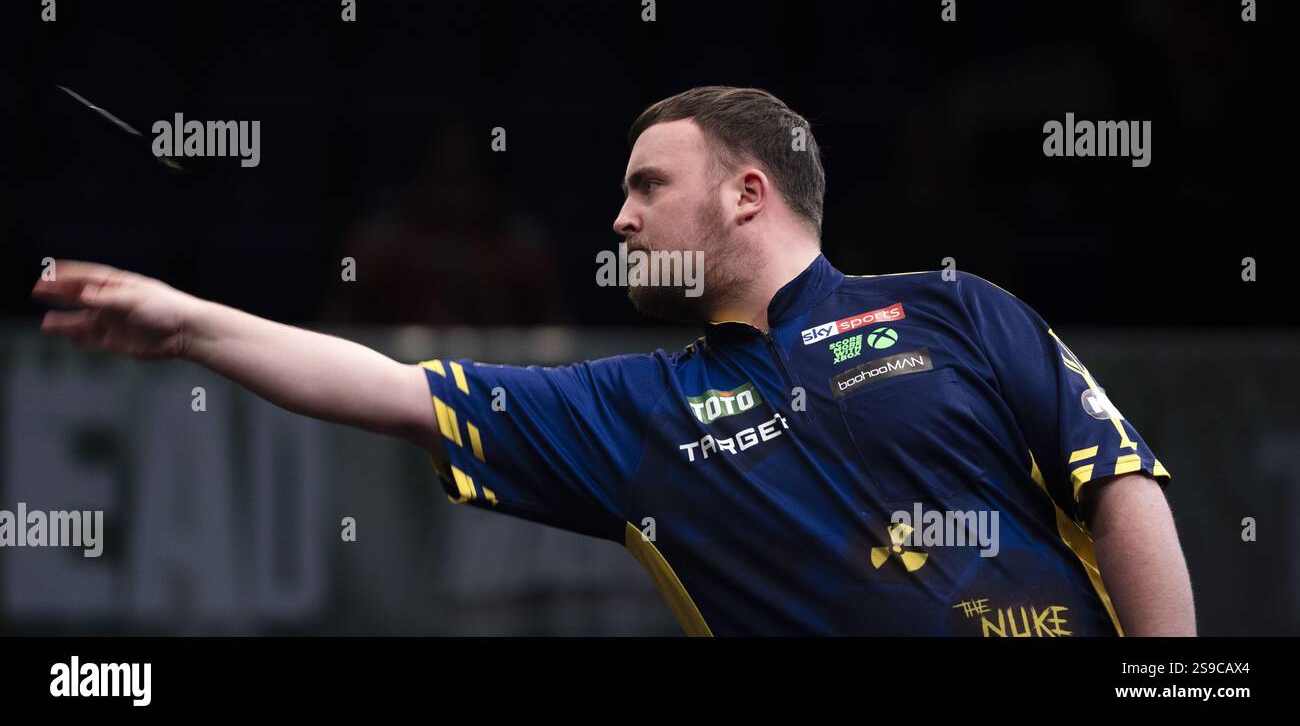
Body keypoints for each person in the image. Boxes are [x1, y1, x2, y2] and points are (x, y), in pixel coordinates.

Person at [31, 86, 1195, 636]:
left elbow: (1117, 480)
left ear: (748, 193)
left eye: (647, 185)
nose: (619, 219)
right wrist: (188, 325)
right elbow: (387, 388)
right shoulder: (634, 411)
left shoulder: (956, 311)